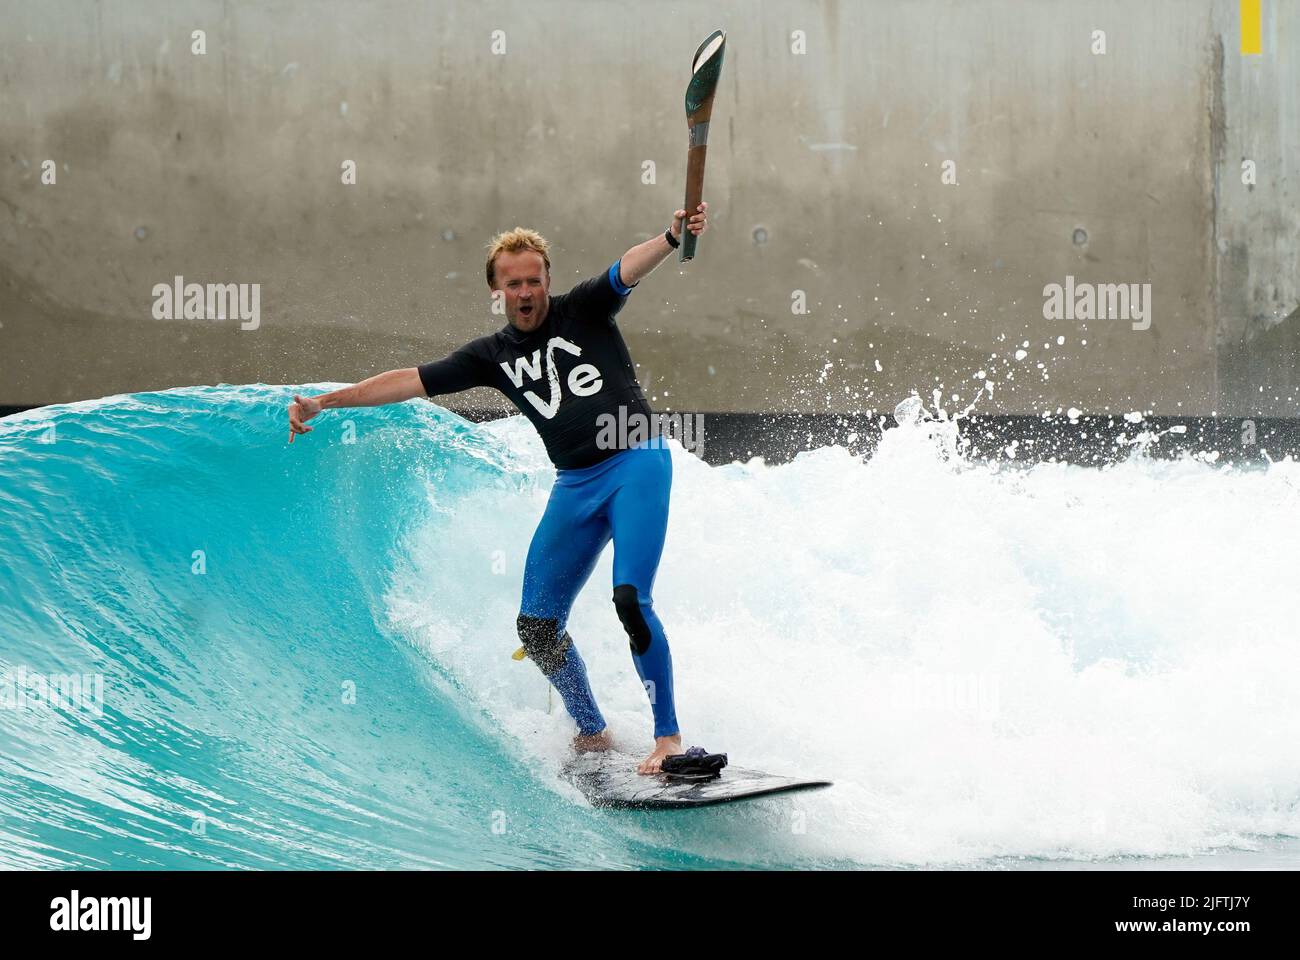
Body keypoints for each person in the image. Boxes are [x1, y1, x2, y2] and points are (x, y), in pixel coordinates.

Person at [288, 202, 709, 774]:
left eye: (534, 280)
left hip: (637, 462)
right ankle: (592, 731)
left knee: (630, 600)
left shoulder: (584, 309)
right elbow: (409, 380)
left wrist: (669, 236)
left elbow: (626, 270)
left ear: (547, 281)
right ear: (497, 290)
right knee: (536, 627)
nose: (526, 291)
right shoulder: (491, 356)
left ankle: (668, 739)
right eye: (514, 284)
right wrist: (325, 401)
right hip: (576, 484)